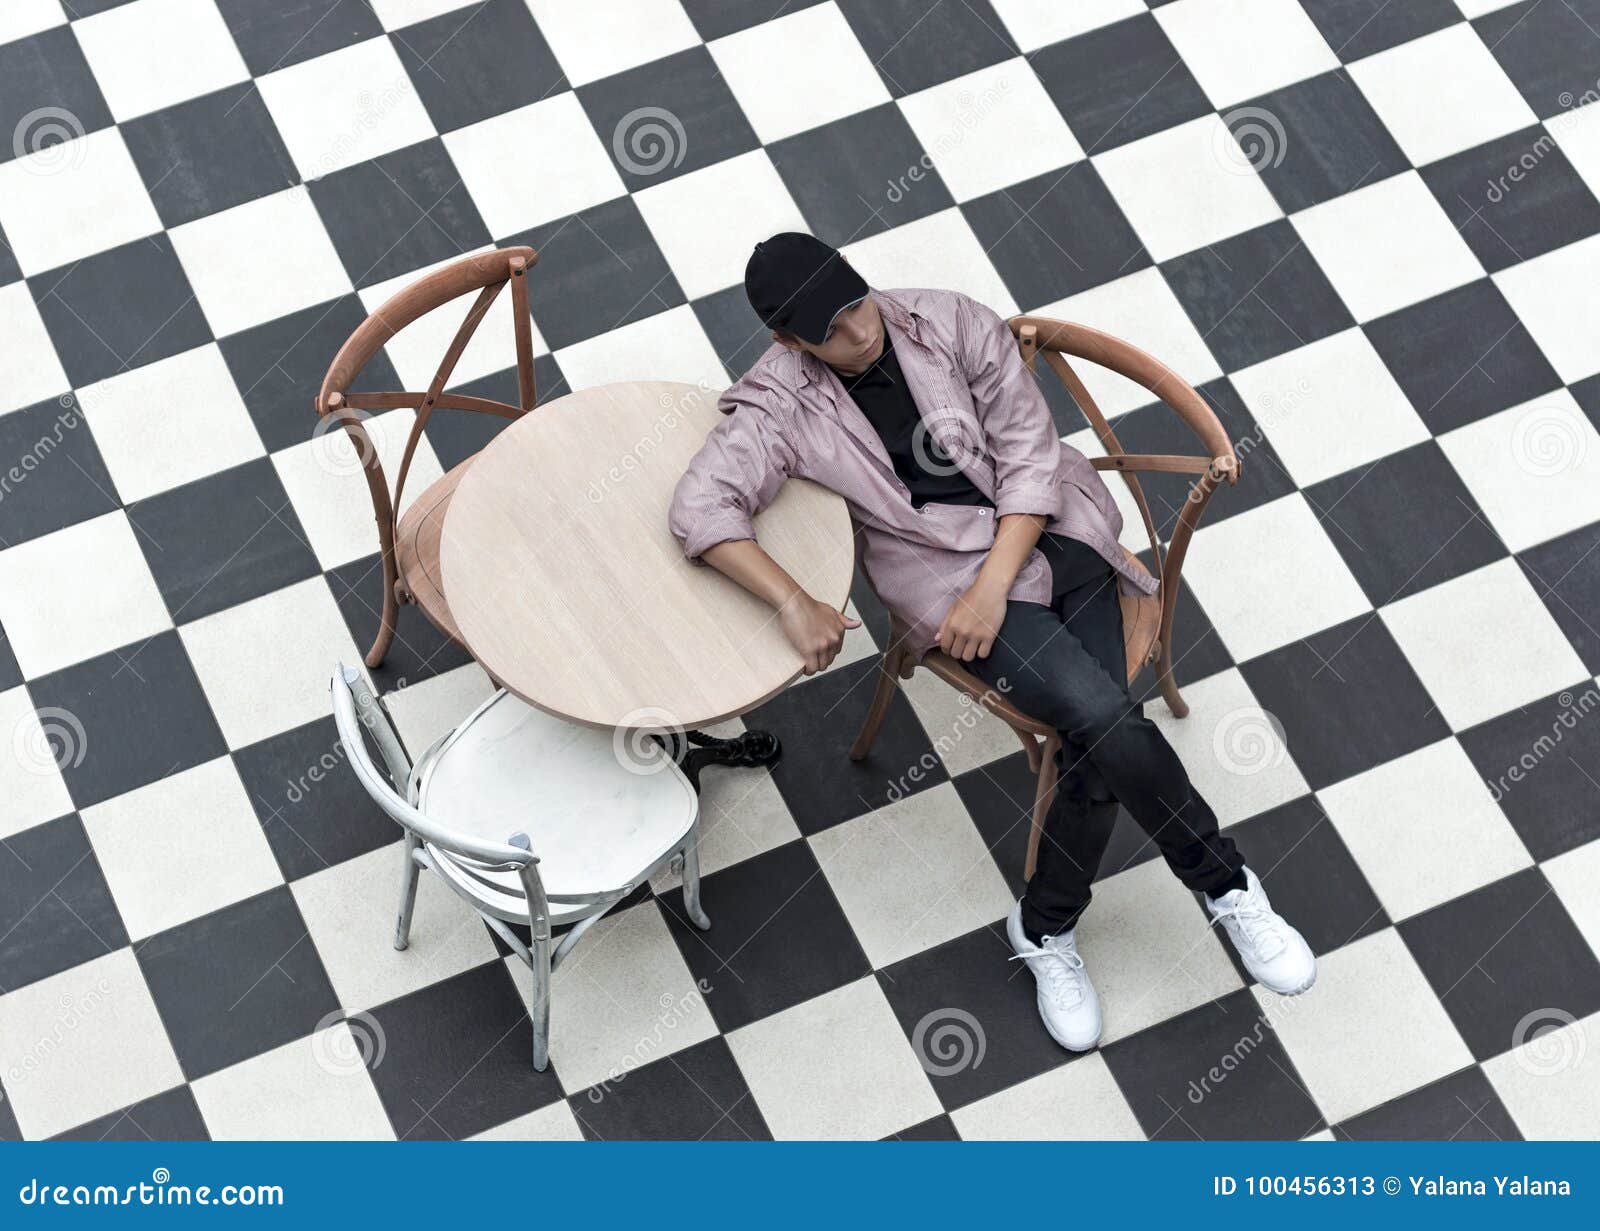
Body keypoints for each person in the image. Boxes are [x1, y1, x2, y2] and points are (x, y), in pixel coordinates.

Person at [668, 233, 1315, 1051]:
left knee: (1098, 729)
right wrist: (793, 601)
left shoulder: (950, 322)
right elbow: (700, 508)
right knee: (1105, 721)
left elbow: (1031, 456)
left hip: (1053, 534)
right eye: (829, 329)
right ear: (788, 342)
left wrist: (990, 587)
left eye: (858, 302)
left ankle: (1049, 927)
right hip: (941, 575)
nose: (861, 331)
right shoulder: (780, 401)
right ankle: (1223, 884)